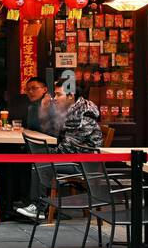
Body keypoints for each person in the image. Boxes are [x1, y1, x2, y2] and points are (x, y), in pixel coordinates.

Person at [14, 77, 102, 221]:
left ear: (70, 96)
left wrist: (45, 153)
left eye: (59, 95)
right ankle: (41, 205)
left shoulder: (82, 116)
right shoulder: (70, 110)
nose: (55, 98)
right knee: (38, 159)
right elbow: (51, 131)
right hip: (73, 157)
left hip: (82, 163)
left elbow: (69, 148)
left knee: (40, 162)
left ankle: (39, 207)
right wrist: (44, 110)